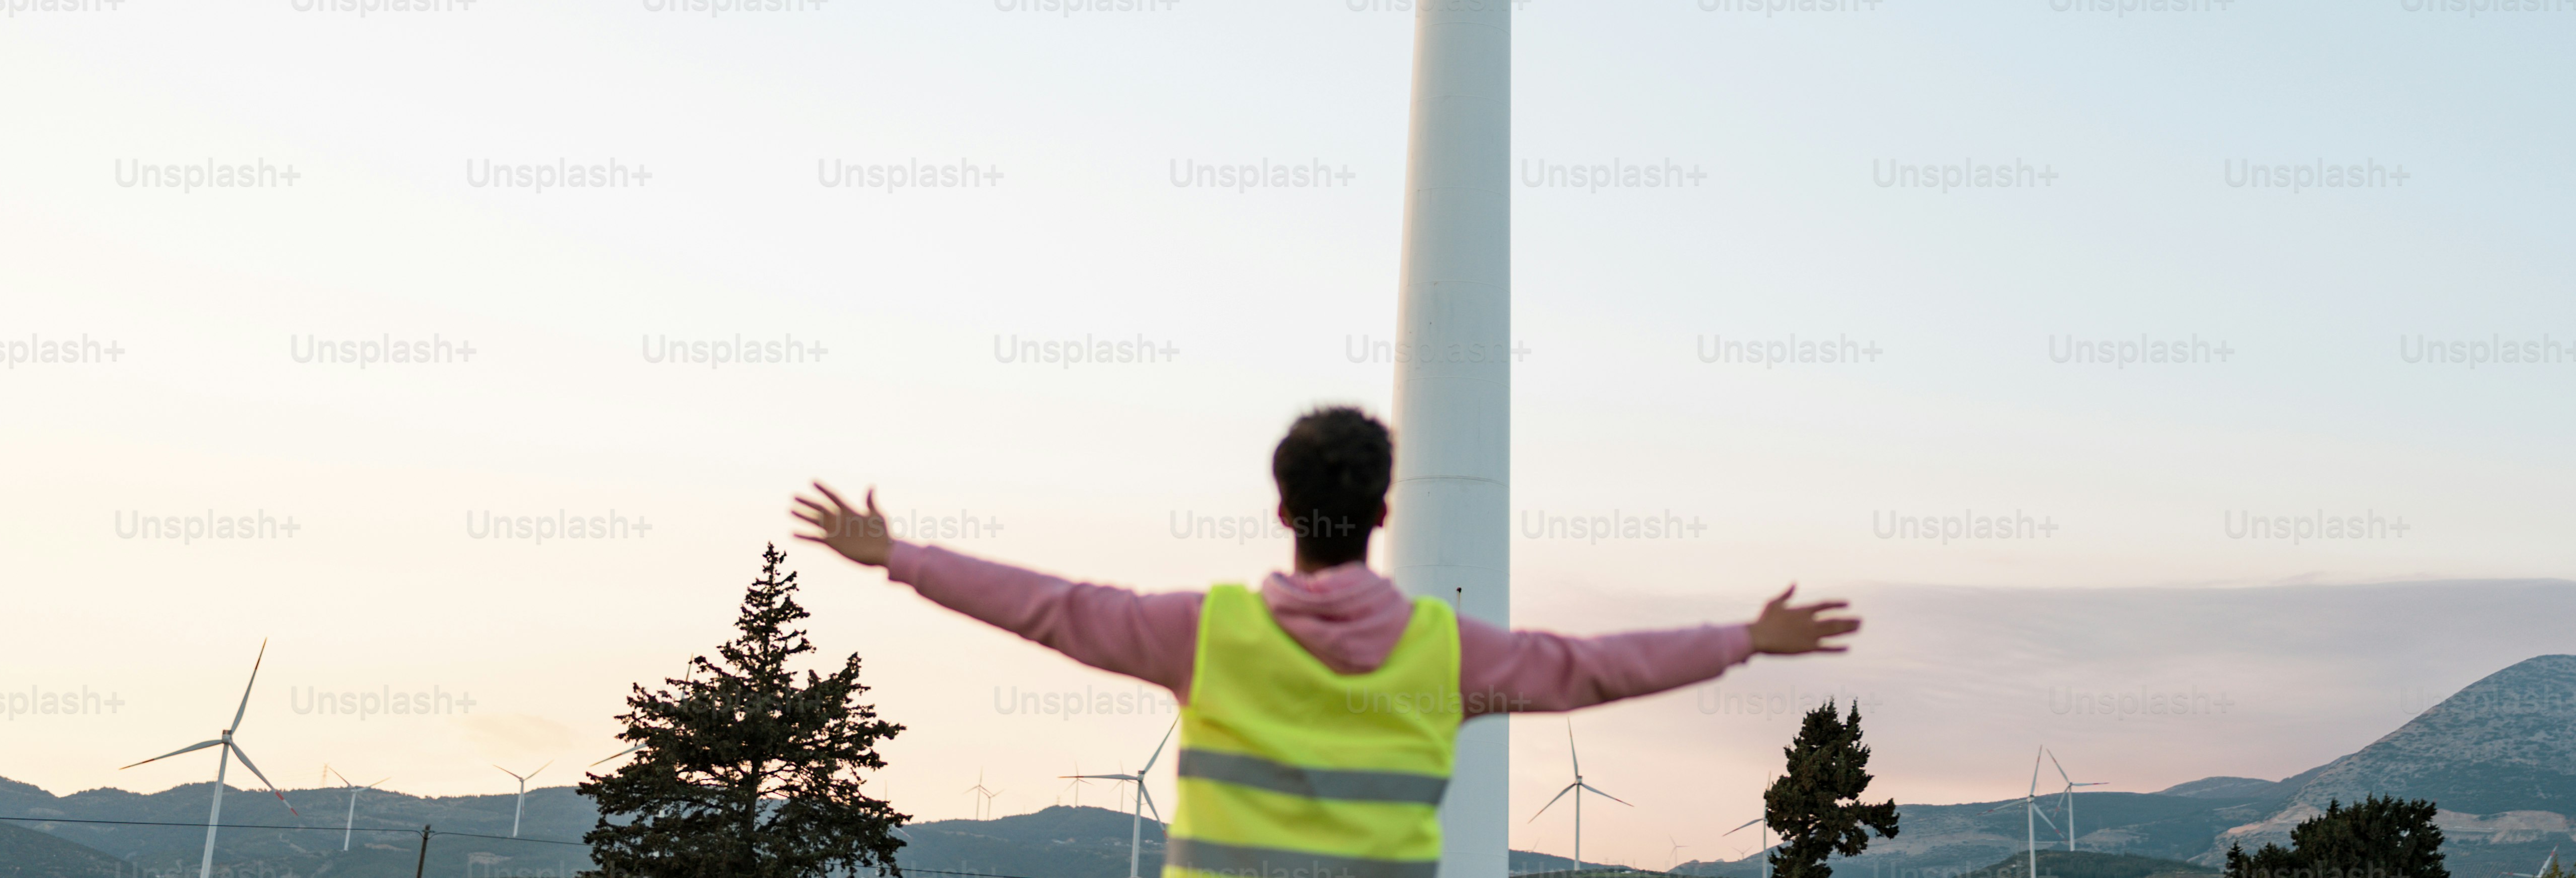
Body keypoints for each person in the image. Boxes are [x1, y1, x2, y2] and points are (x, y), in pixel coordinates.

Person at [792, 405, 1857, 878]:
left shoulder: (1206, 634)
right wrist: (1743, 637)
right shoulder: (1448, 653)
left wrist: (901, 555)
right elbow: (1591, 667)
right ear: (1385, 510)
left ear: (1282, 507)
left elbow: (1053, 603)